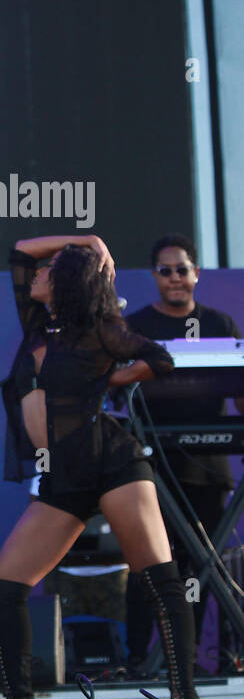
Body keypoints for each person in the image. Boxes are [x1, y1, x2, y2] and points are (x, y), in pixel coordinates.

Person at [0, 233, 202, 699]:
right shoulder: (37, 324)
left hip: (112, 463)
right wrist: (89, 241)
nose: (37, 274)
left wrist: (113, 380)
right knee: (3, 586)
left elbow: (161, 359)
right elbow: (22, 249)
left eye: (51, 270)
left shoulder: (101, 329)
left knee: (160, 579)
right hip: (64, 476)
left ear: (66, 282)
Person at [124, 233, 242, 672]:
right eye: (165, 271)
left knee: (200, 567)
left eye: (182, 269)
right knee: (147, 565)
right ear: (154, 277)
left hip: (207, 469)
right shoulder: (135, 327)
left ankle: (186, 663)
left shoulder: (221, 325)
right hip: (150, 464)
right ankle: (136, 659)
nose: (175, 278)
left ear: (196, 274)